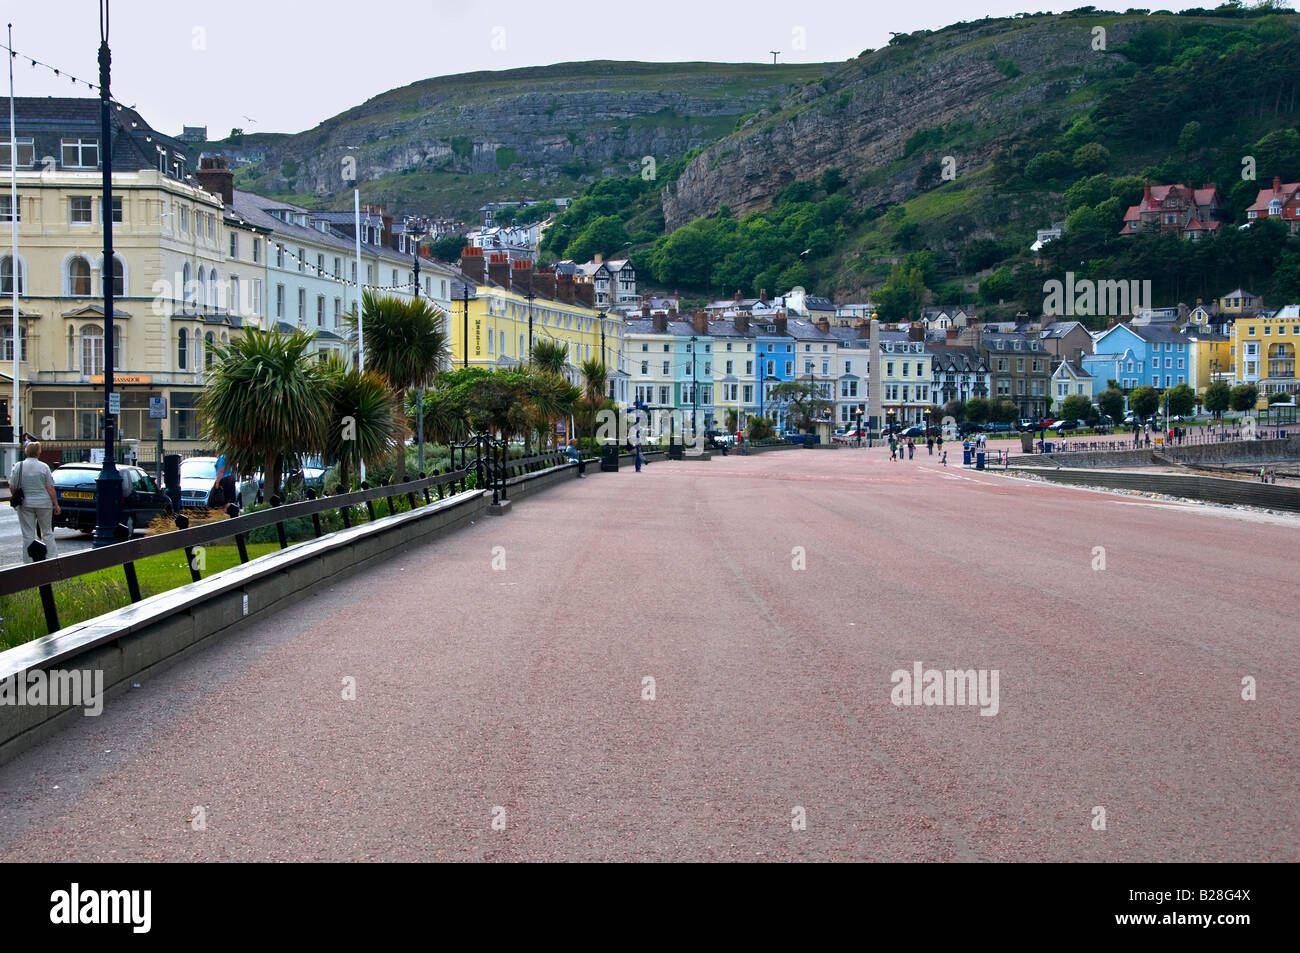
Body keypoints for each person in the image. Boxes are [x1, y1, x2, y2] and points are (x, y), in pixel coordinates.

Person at [9, 441, 60, 563]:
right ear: (39, 452)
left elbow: (12, 486)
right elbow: (50, 488)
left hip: (25, 504)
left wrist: (17, 497)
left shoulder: (18, 466)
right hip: (44, 503)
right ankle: (52, 558)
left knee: (28, 534)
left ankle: (28, 561)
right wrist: (56, 504)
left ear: (26, 451)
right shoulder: (44, 467)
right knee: (47, 531)